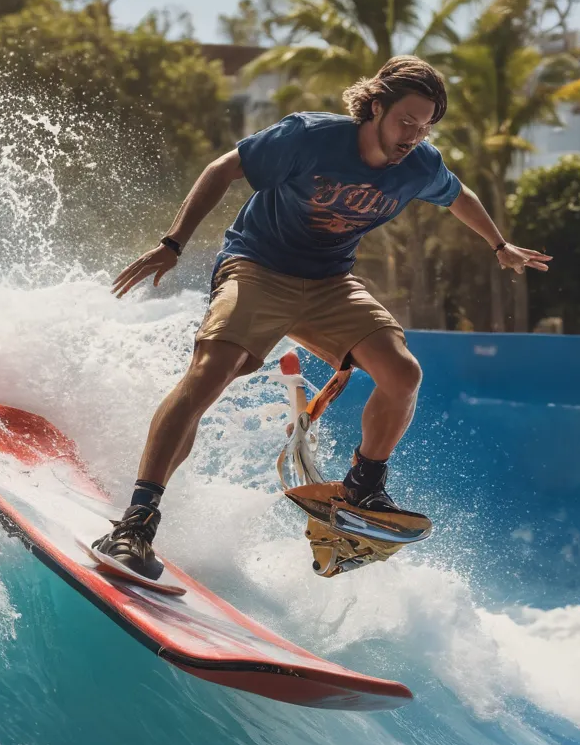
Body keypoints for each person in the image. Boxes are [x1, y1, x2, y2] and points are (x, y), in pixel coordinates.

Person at [96, 55, 551, 579]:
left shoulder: (420, 165)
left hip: (331, 283)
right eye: (407, 120)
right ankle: (136, 521)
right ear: (375, 106)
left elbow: (457, 195)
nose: (414, 135)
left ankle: (363, 484)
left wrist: (499, 245)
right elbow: (225, 166)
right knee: (210, 374)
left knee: (403, 374)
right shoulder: (309, 137)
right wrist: (173, 243)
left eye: (426, 126)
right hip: (259, 267)